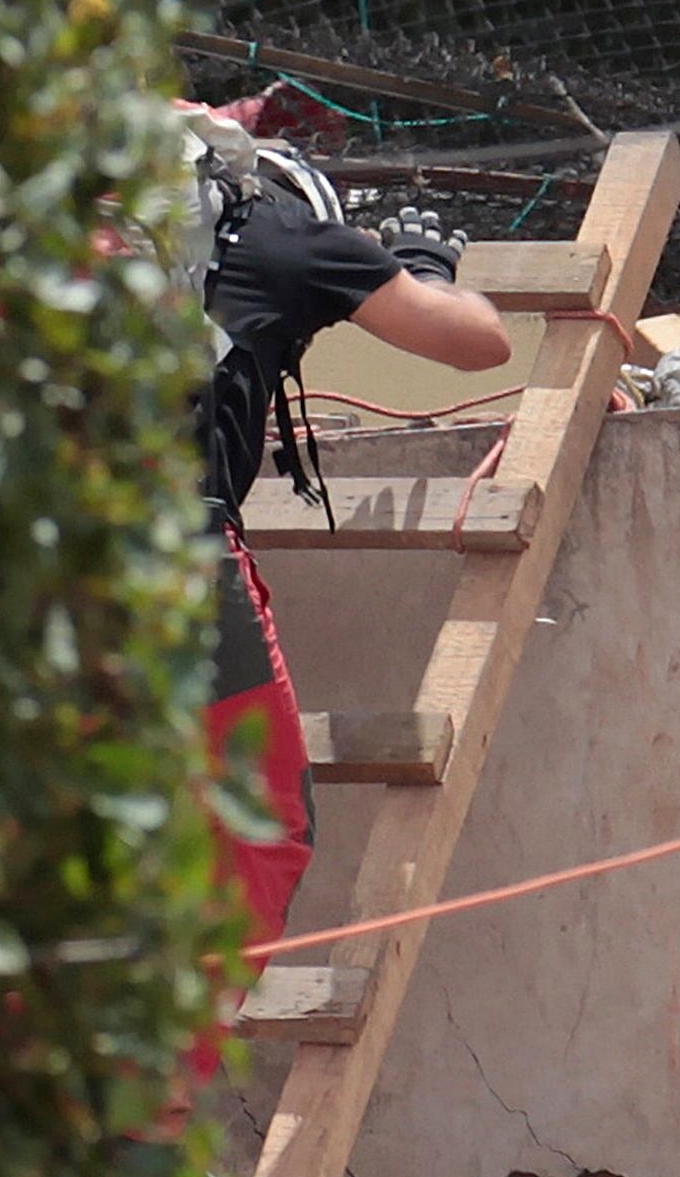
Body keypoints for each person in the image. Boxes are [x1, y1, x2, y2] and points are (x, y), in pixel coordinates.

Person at [188, 94, 509, 1064]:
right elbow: (475, 342)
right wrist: (420, 264)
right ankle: (145, 1097)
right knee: (261, 827)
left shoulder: (63, 246)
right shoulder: (283, 236)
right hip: (170, 563)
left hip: (18, 562)